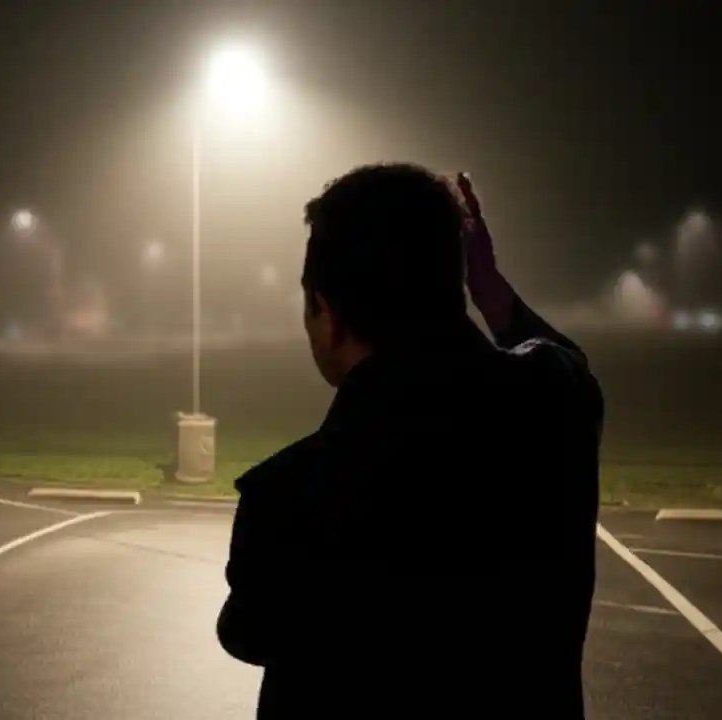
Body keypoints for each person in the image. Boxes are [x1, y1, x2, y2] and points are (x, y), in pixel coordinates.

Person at [217, 164, 603, 718]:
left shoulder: (289, 496)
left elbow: (247, 632)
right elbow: (567, 361)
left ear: (327, 314)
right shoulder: (552, 405)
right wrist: (489, 288)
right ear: (454, 285)